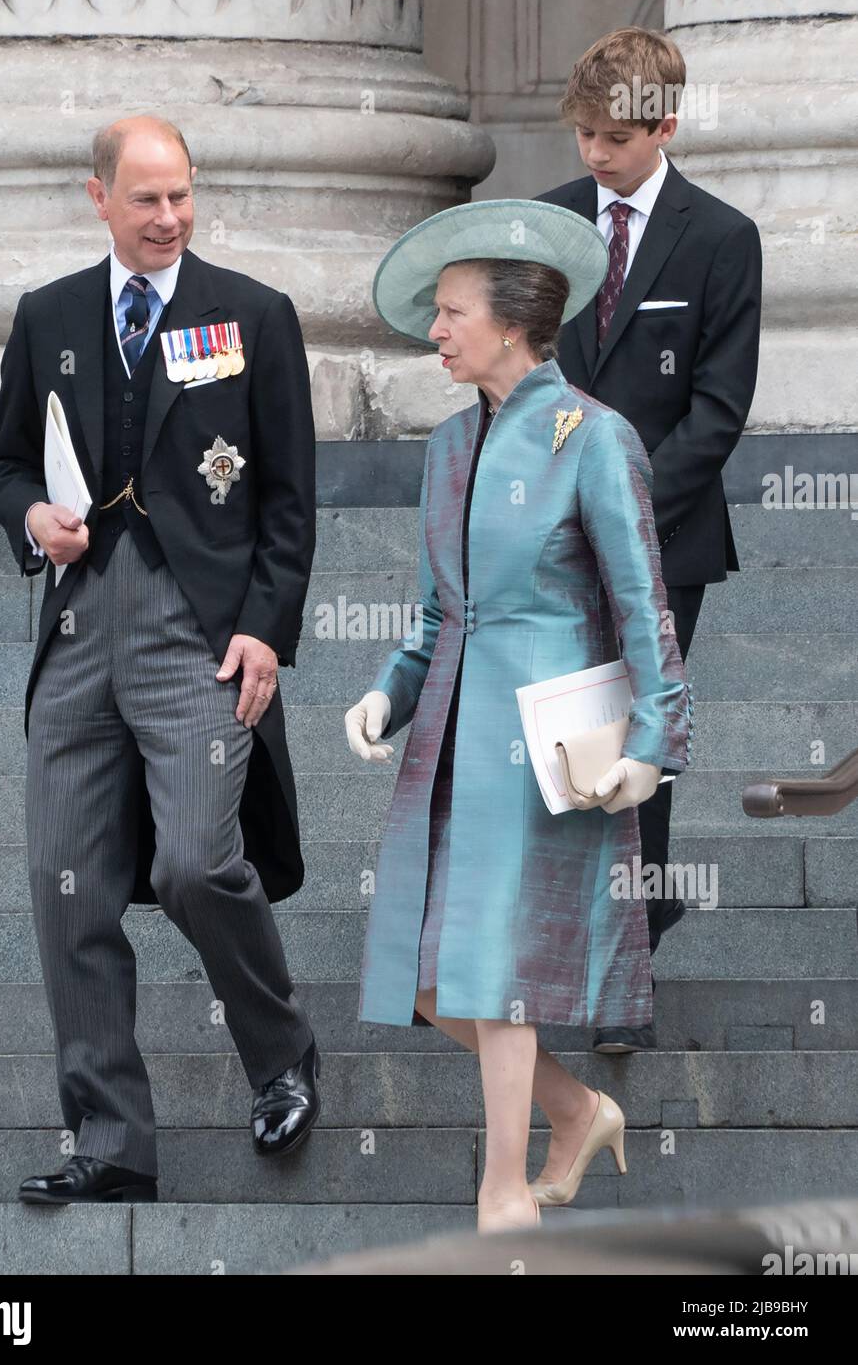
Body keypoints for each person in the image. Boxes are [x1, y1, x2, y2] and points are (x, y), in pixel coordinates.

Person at [0, 115, 320, 1205]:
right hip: (78, 631)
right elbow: (1, 463)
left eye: (183, 196)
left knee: (190, 864)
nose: (170, 217)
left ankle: (280, 1057)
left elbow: (287, 499)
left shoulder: (255, 317)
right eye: (146, 200)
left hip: (199, 630)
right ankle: (113, 1142)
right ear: (99, 199)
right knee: (62, 884)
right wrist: (31, 511)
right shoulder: (49, 318)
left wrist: (266, 625)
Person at [345, 199, 693, 1232]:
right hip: (451, 733)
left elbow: (644, 607)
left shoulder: (595, 436)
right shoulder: (448, 446)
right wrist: (387, 692)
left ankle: (502, 1188)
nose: (436, 331)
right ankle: (577, 1109)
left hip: (548, 742)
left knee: (494, 973)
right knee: (424, 975)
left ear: (509, 323)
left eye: (450, 313)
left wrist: (652, 744)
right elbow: (432, 613)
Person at [537, 27, 763, 1054]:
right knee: (557, 735)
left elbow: (716, 415)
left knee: (640, 746)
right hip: (542, 533)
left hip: (663, 537)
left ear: (664, 126)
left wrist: (616, 509)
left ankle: (627, 964)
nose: (593, 154)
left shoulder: (721, 239)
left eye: (613, 138)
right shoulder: (541, 224)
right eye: (583, 133)